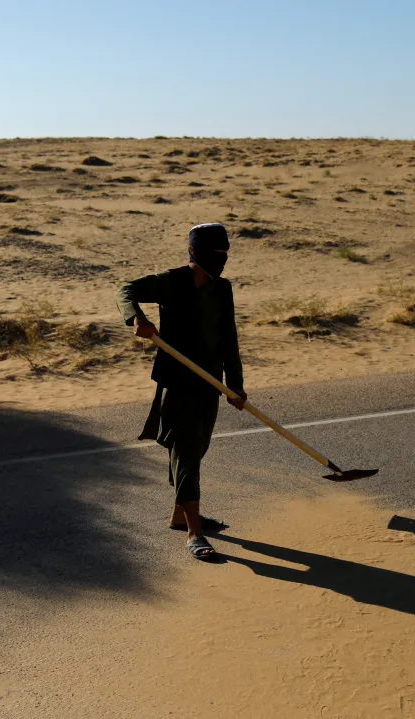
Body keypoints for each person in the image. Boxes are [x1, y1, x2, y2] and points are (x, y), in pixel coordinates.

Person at [116, 223, 246, 561]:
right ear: (195, 252)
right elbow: (125, 290)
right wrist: (137, 319)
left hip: (210, 382)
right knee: (186, 450)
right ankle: (194, 532)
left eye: (225, 253)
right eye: (216, 253)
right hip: (178, 381)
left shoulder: (222, 289)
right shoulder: (171, 282)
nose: (221, 259)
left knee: (198, 448)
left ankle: (179, 514)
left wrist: (235, 384)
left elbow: (229, 338)